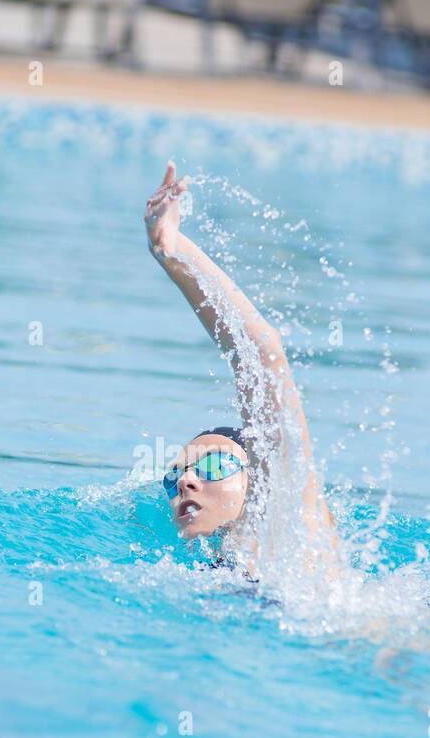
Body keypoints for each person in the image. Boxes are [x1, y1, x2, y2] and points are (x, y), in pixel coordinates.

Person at [144, 162, 338, 583]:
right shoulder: (221, 566)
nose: (187, 483)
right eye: (174, 476)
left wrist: (172, 252)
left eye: (213, 467)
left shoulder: (292, 527)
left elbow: (262, 353)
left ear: (262, 475)